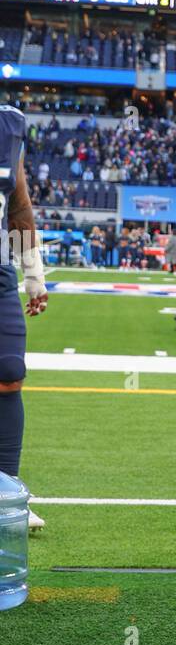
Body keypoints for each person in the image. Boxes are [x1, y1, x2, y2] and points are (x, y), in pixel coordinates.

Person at [0, 105, 48, 532]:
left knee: (9, 372)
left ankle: (7, 494)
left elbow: (18, 205)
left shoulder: (7, 125)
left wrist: (33, 274)